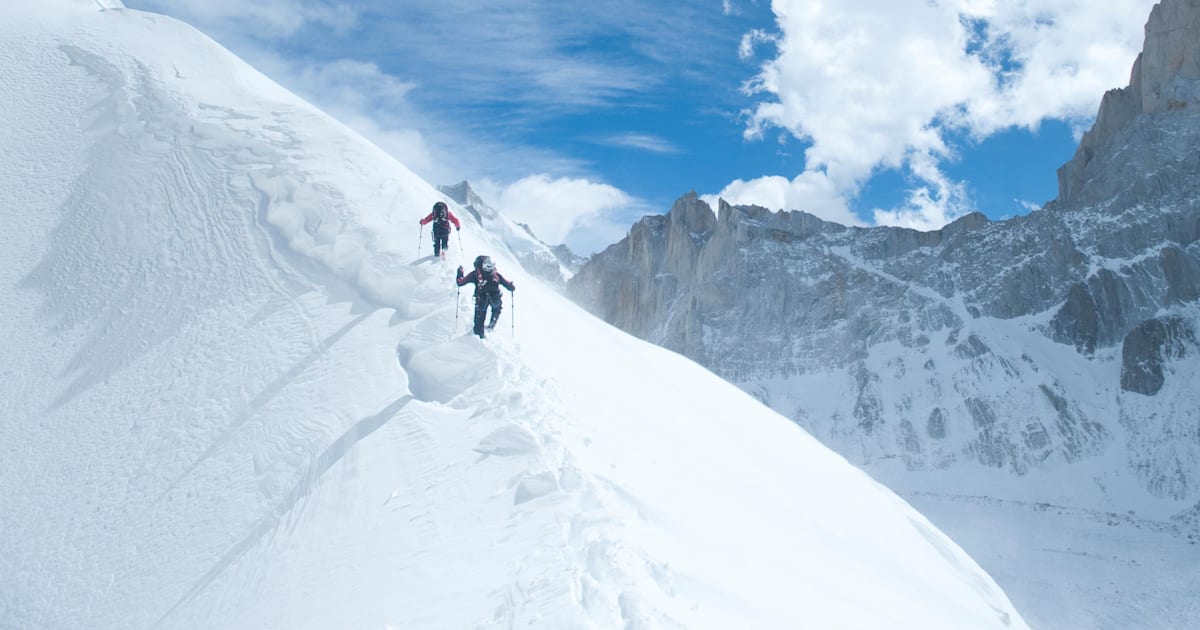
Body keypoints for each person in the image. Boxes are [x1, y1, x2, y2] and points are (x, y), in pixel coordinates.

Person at [456, 255, 516, 338]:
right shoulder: (495, 274)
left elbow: (460, 282)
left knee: (479, 324)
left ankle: (480, 336)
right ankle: (492, 325)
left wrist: (460, 273)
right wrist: (512, 287)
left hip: (481, 300)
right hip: (495, 298)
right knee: (496, 309)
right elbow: (508, 285)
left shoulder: (475, 274)